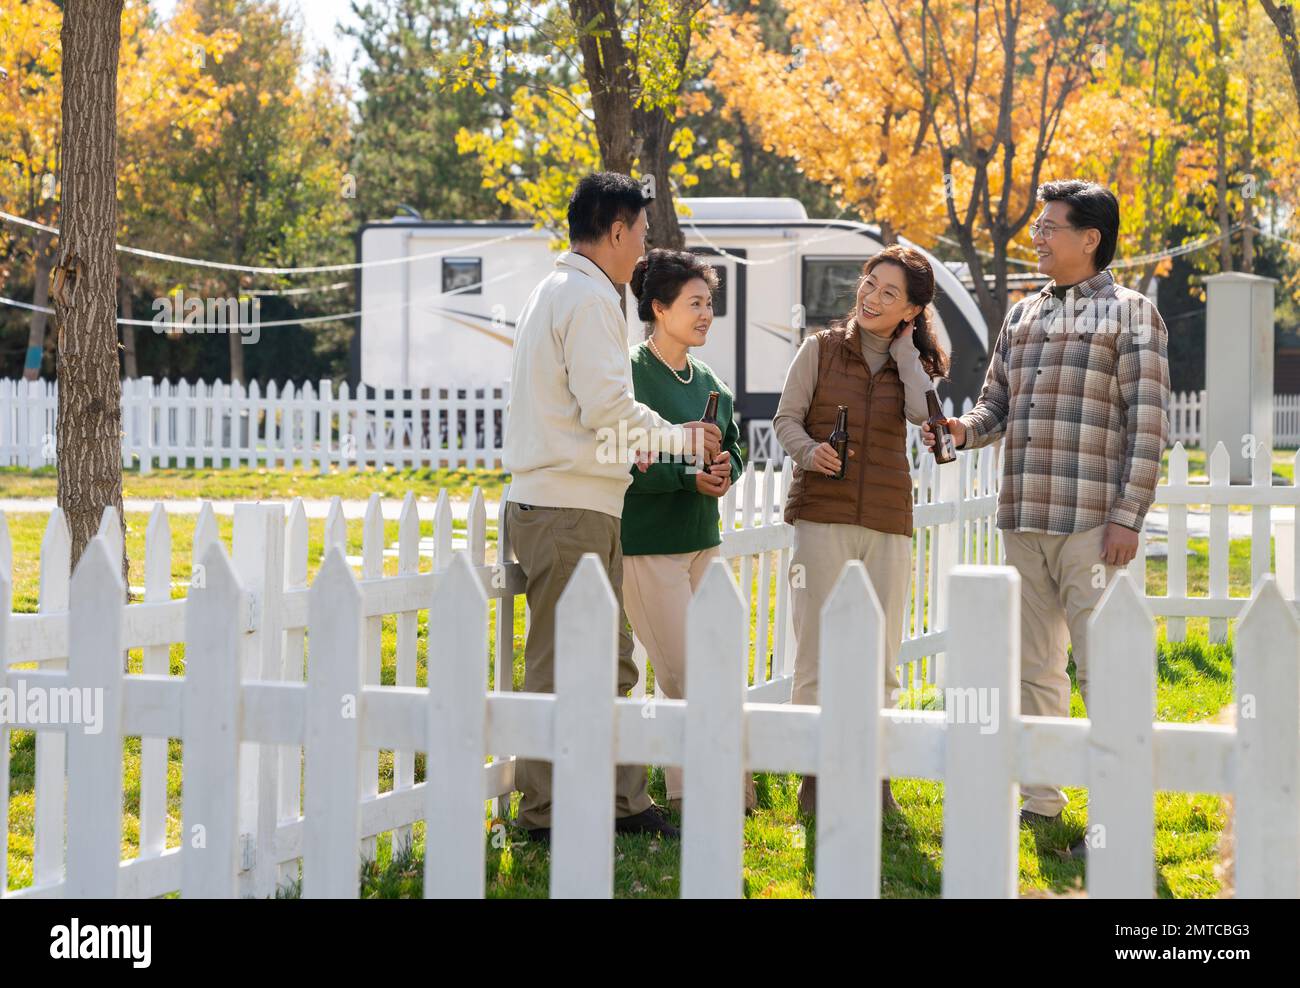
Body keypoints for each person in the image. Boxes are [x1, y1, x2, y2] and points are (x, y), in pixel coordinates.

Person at [921, 180, 1170, 857]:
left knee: (1105, 670)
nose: (1037, 235)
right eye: (1039, 225)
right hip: (1023, 515)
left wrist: (1128, 516)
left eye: (1049, 226)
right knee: (1035, 669)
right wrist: (961, 431)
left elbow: (1148, 427)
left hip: (1095, 523)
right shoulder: (1023, 315)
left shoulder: (1132, 313)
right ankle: (1042, 803)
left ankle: (1120, 809)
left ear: (1090, 238)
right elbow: (995, 403)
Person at [502, 173, 722, 843]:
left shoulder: (558, 288)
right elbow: (607, 410)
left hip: (574, 501)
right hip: (568, 504)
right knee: (565, 664)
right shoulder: (591, 297)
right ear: (619, 230)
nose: (645, 246)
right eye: (643, 233)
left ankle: (624, 803)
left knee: (609, 660)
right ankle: (543, 817)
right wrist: (682, 441)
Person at [774, 244, 948, 819]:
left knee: (882, 660)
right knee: (816, 660)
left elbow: (930, 420)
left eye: (889, 293)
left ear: (911, 311)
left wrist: (904, 355)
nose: (871, 297)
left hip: (887, 519)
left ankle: (877, 784)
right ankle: (815, 783)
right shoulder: (819, 351)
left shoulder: (909, 362)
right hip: (821, 515)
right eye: (869, 284)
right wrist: (809, 452)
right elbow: (786, 420)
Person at [619, 248, 756, 816]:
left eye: (709, 304)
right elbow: (621, 461)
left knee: (715, 670)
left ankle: (696, 793)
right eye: (694, 303)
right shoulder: (628, 374)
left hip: (705, 540)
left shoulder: (709, 380)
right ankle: (712, 797)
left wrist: (727, 471)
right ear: (659, 307)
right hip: (650, 546)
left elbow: (737, 444)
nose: (706, 314)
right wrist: (683, 476)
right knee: (685, 676)